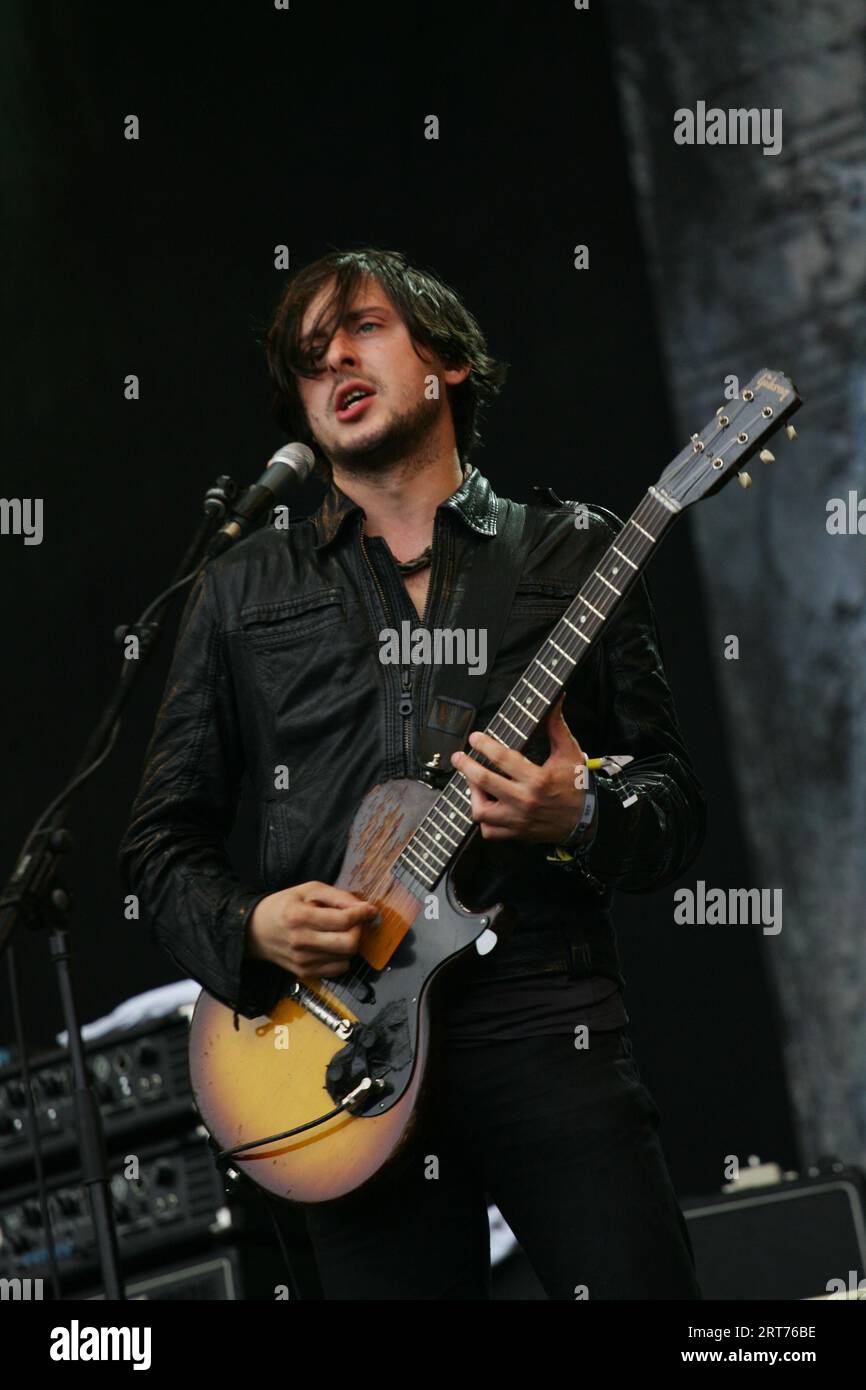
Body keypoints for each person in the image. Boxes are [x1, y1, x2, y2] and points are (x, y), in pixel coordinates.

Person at [119, 246, 707, 1300]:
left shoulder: (570, 553)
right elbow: (159, 843)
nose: (332, 358)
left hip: (542, 1014)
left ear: (448, 360)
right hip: (335, 1051)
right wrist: (251, 925)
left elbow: (670, 808)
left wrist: (578, 810)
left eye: (363, 329)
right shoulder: (241, 586)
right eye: (306, 358)